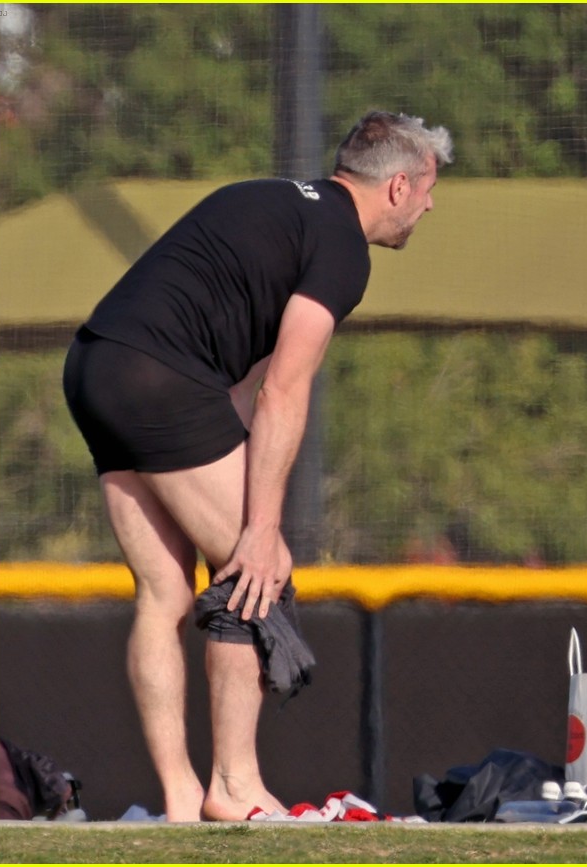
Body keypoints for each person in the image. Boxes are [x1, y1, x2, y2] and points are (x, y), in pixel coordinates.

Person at [62, 111, 454, 821]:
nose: (431, 205)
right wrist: (262, 526)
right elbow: (283, 389)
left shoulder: (276, 203)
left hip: (95, 364)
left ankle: (182, 796)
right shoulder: (341, 245)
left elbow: (240, 391)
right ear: (397, 186)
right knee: (256, 579)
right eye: (428, 189)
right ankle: (235, 788)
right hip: (158, 376)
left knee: (164, 593)